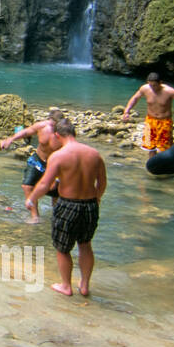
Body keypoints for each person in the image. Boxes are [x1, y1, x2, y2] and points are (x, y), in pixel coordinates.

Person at [27, 118, 106, 297]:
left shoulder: (58, 156)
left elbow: (45, 184)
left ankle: (66, 286)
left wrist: (31, 199)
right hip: (90, 205)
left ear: (57, 135)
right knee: (85, 244)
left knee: (63, 249)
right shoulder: (94, 154)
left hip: (68, 205)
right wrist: (97, 199)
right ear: (74, 133)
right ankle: (84, 286)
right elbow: (102, 183)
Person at [0, 108, 65, 223]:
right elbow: (26, 132)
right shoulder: (42, 126)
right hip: (37, 161)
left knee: (55, 193)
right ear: (49, 120)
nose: (54, 126)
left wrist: (58, 177)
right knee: (27, 186)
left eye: (57, 124)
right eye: (53, 123)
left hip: (54, 164)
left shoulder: (64, 133)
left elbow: (68, 153)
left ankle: (56, 217)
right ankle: (35, 217)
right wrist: (10, 139)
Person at [119, 72, 174, 155]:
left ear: (160, 83)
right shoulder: (145, 88)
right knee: (150, 147)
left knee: (164, 148)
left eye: (155, 85)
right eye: (150, 85)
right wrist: (127, 111)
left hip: (164, 122)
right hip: (150, 121)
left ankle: (163, 165)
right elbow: (135, 98)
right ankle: (151, 165)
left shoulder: (169, 91)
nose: (152, 87)